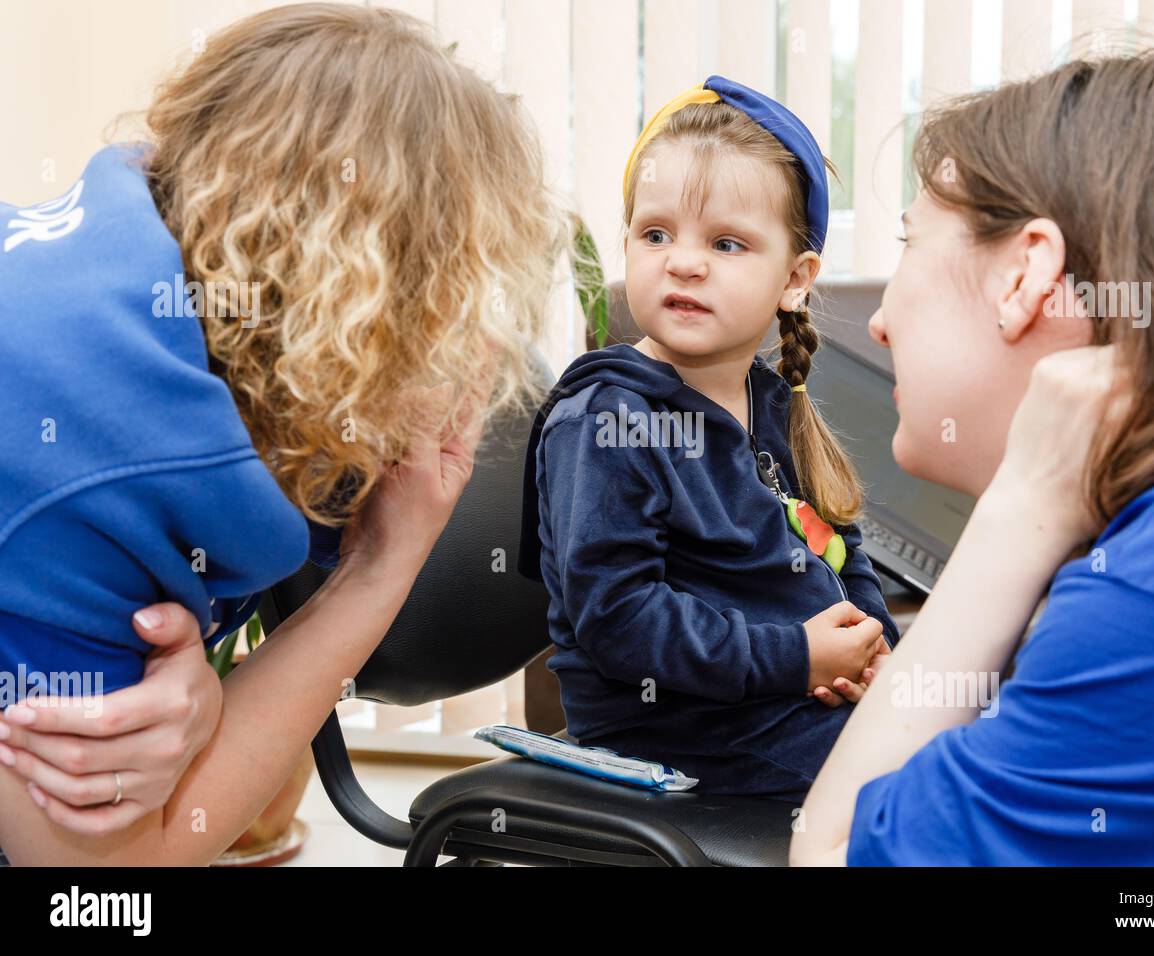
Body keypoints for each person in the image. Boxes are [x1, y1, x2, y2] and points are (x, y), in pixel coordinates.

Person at [0, 2, 566, 864]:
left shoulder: (133, 266)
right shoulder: (93, 445)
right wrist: (389, 563)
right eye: (441, 294)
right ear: (360, 292)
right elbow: (101, 882)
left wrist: (199, 699)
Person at [791, 49, 1154, 865]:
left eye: (908, 242)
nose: (880, 321)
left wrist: (1023, 506)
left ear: (1028, 272)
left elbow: (836, 851)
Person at [518, 77, 895, 802]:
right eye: (655, 234)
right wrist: (797, 658)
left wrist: (874, 651)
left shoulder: (772, 404)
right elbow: (620, 623)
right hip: (682, 742)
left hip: (778, 707)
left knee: (971, 728)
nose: (684, 261)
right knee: (930, 773)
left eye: (726, 243)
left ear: (795, 279)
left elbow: (841, 552)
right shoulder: (605, 420)